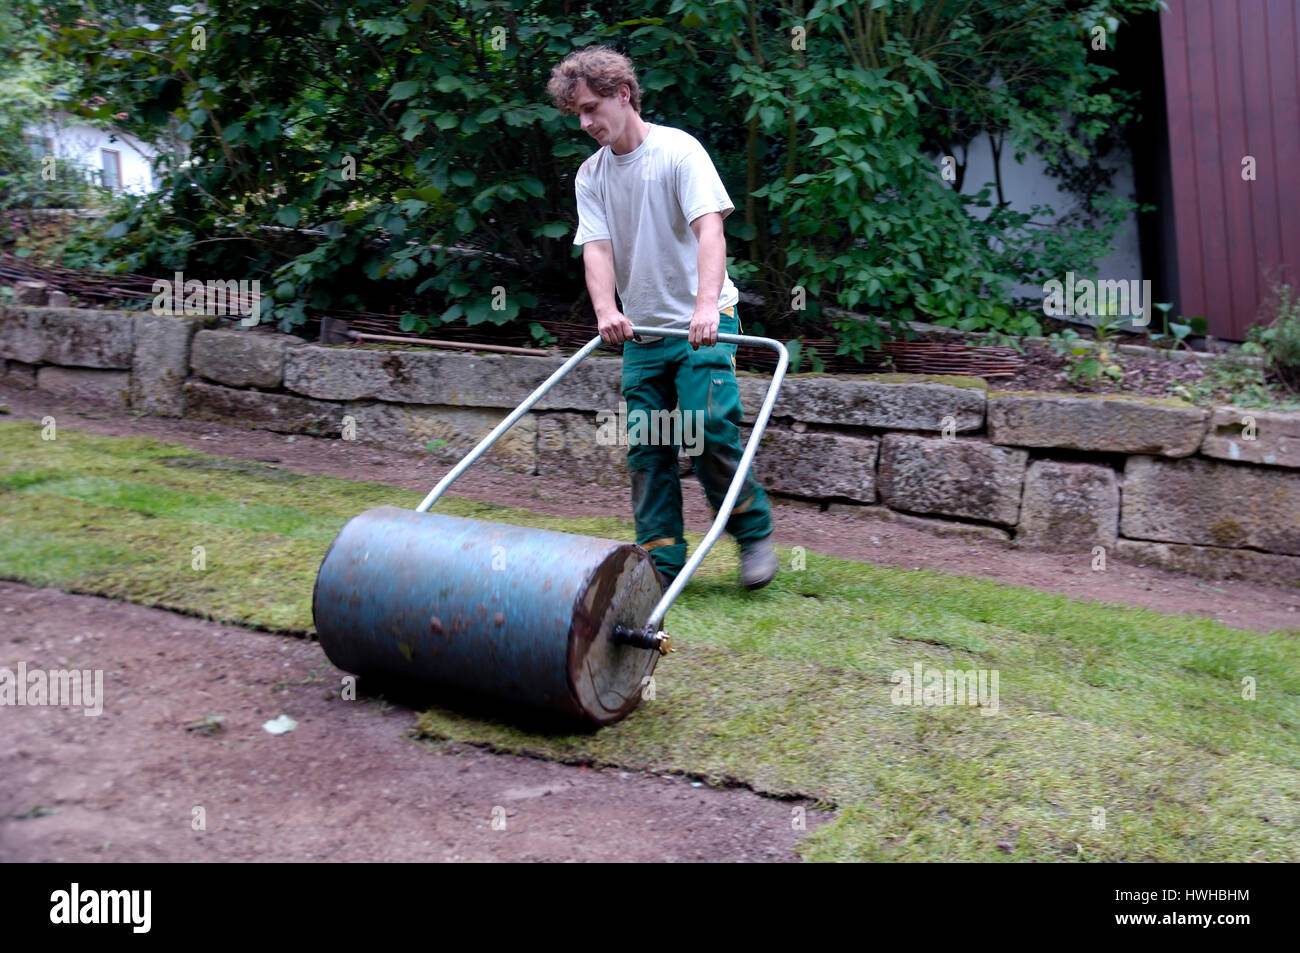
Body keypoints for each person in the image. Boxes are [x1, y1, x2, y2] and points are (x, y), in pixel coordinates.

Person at [547, 45, 778, 591]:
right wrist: (606, 310)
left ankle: (752, 530)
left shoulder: (679, 152)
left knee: (707, 432)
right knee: (649, 447)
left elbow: (710, 230)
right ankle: (660, 565)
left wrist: (705, 306)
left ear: (622, 94)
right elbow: (598, 249)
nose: (584, 122)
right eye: (577, 114)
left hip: (703, 325)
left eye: (590, 108)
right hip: (644, 335)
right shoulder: (591, 175)